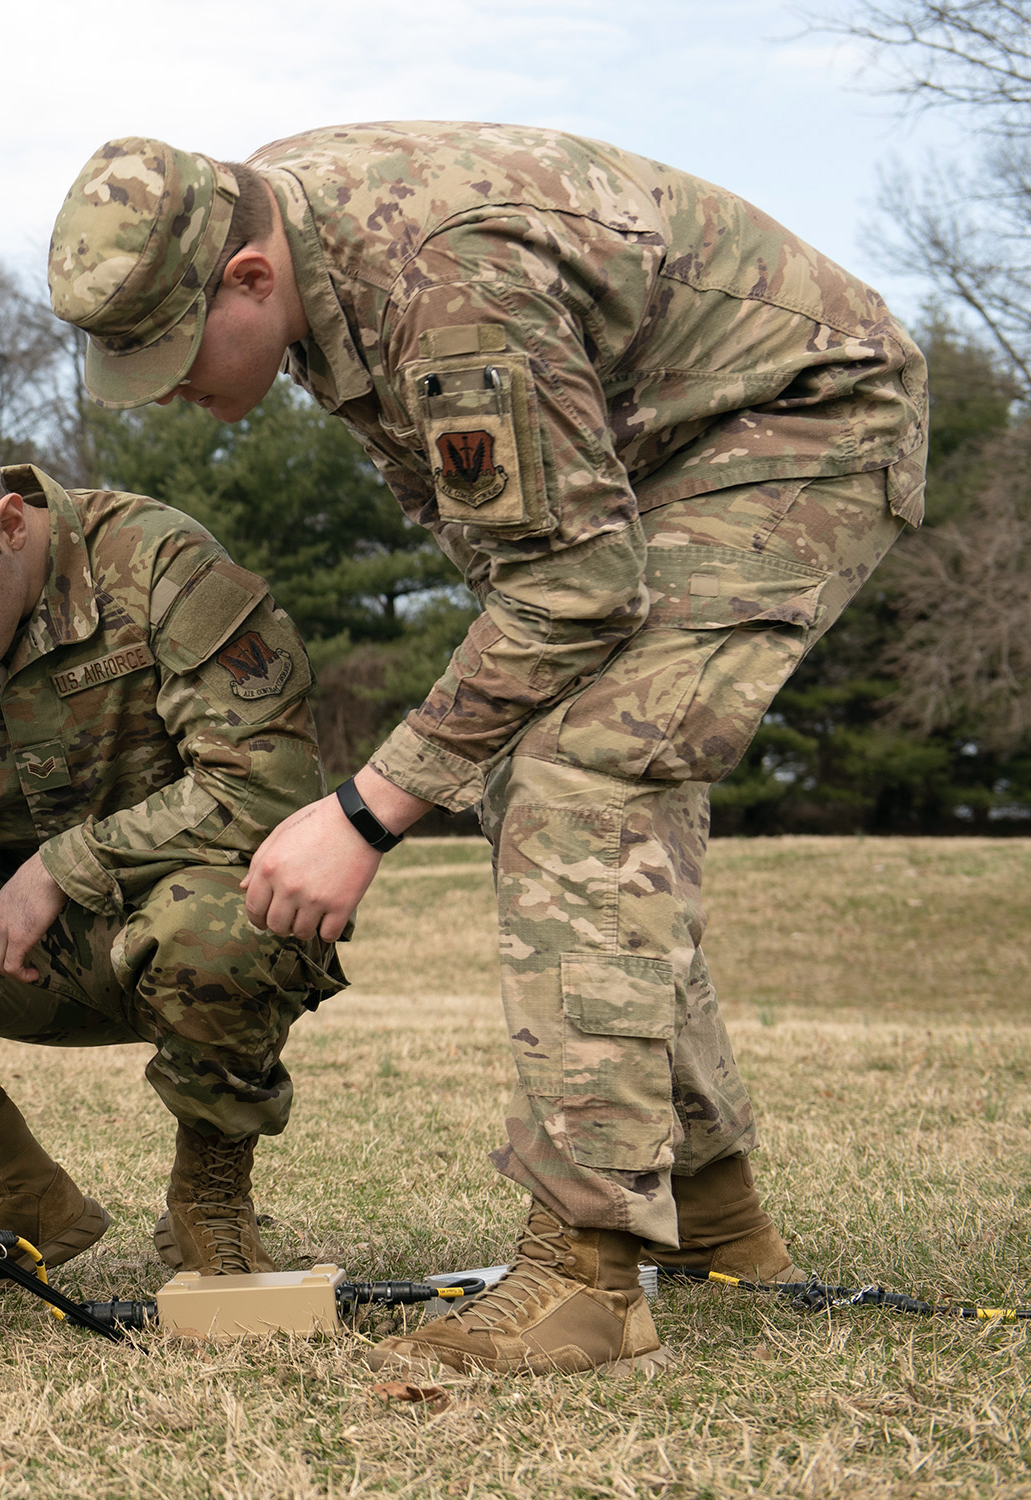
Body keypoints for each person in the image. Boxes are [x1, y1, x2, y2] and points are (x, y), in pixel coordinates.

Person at [46, 127, 927, 1372]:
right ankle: (709, 1215)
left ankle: (587, 1274)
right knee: (538, 767)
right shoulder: (285, 229)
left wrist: (363, 812)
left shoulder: (442, 285)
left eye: (177, 357)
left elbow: (572, 585)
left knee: (584, 782)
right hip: (652, 451)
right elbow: (508, 531)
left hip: (799, 423)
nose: (171, 394)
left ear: (248, 277)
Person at [0, 414, 344, 1276]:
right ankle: (19, 1192)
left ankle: (211, 1200)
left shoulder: (160, 568)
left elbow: (269, 793)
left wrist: (64, 865)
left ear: (10, 525)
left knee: (224, 925)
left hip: (174, 923)